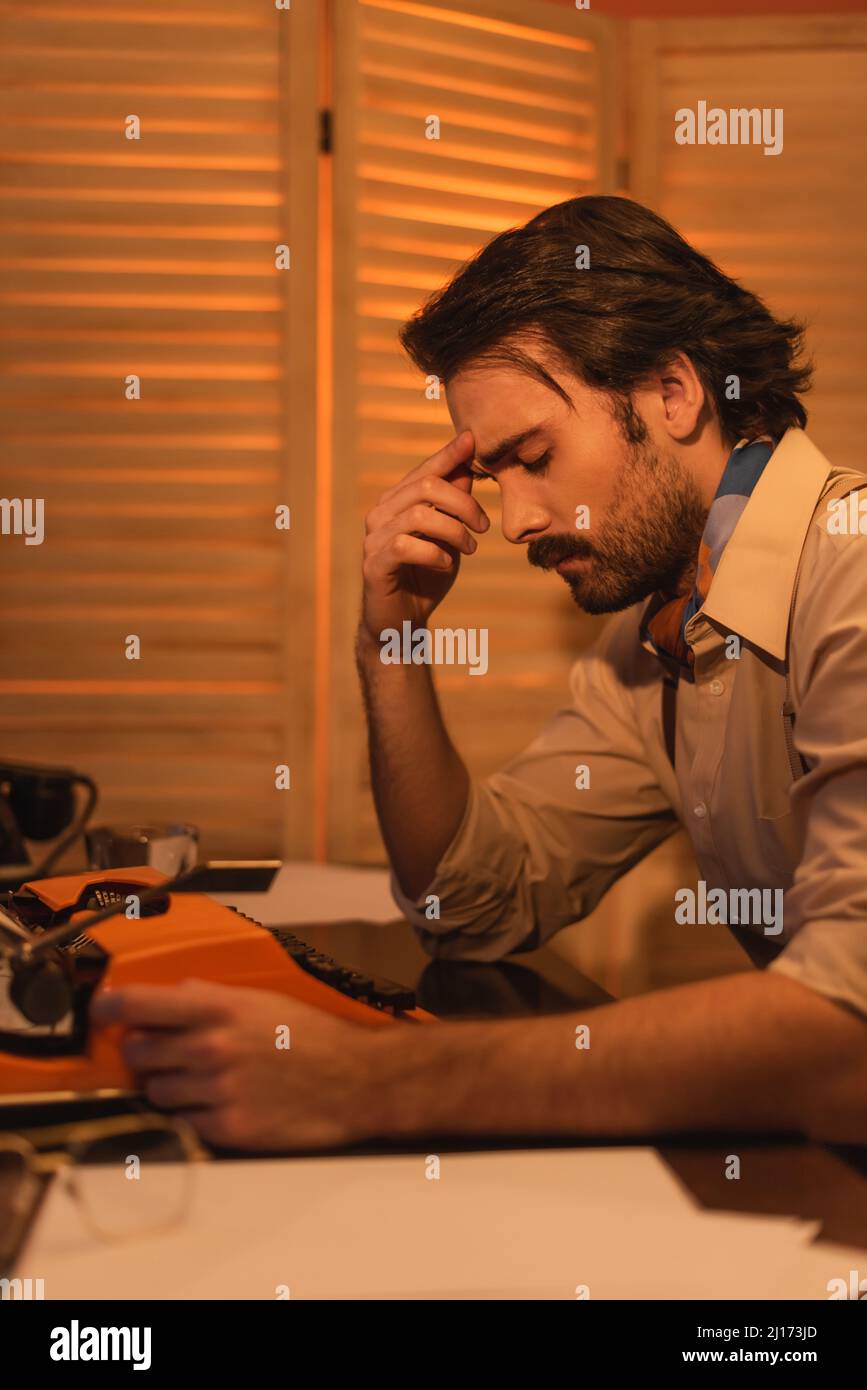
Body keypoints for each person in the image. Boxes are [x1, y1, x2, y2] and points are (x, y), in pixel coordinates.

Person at [93, 197, 867, 1150]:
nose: (515, 523)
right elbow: (473, 906)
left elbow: (847, 1031)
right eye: (497, 478)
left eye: (534, 458)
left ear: (672, 392)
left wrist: (360, 1082)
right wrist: (393, 644)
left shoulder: (853, 571)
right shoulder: (653, 642)